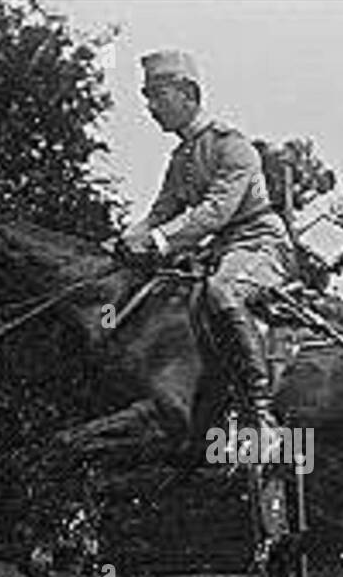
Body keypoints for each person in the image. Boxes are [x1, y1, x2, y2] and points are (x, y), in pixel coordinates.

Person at [121, 50, 295, 434]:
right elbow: (159, 213)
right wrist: (117, 244)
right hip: (222, 249)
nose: (150, 107)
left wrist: (158, 242)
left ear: (187, 93)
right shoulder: (181, 157)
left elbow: (216, 212)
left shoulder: (232, 146)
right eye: (147, 96)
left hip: (261, 244)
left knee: (222, 291)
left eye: (157, 95)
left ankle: (260, 410)